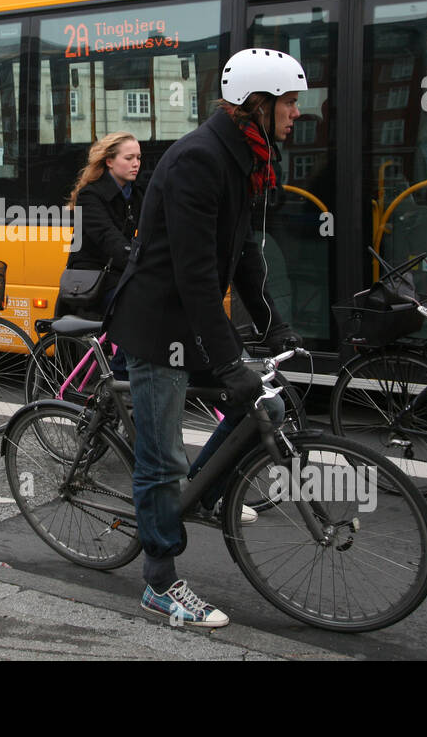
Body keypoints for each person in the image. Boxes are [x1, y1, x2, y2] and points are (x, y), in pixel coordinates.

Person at [107, 49, 306, 628]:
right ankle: (160, 585)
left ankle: (210, 493)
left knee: (264, 402)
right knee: (162, 459)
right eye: (290, 103)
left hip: (191, 319)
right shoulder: (199, 157)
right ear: (259, 105)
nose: (297, 114)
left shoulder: (244, 156)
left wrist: (272, 320)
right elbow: (195, 274)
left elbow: (242, 251)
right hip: (157, 322)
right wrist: (228, 361)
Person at [60, 132, 143, 319]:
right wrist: (139, 259)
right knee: (135, 308)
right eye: (129, 158)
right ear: (109, 161)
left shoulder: (136, 194)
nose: (136, 164)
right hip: (93, 278)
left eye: (138, 158)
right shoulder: (90, 196)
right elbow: (108, 238)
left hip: (119, 273)